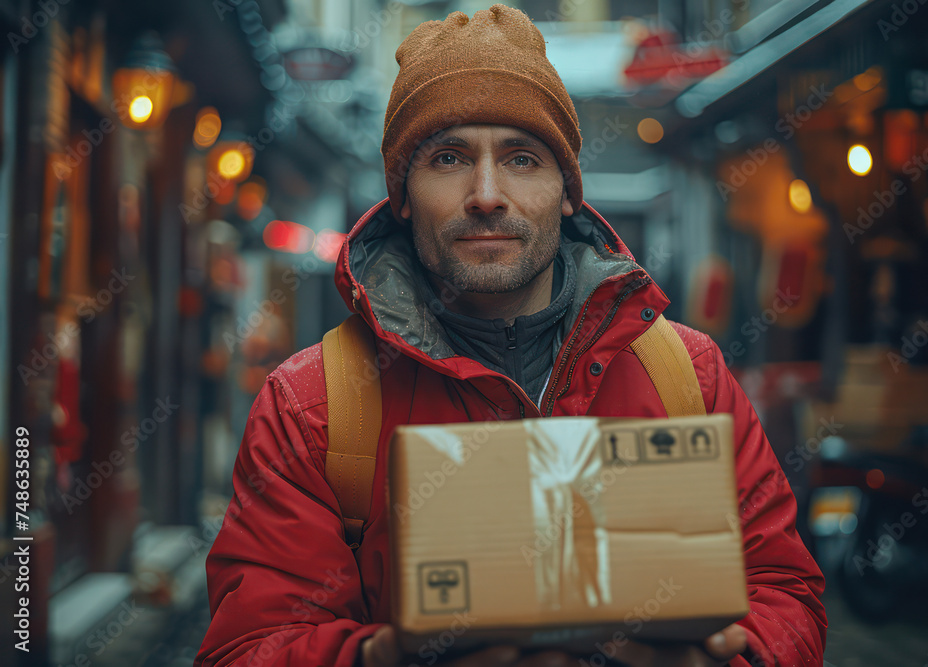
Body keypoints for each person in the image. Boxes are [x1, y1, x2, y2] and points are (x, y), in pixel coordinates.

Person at [195, 5, 826, 666]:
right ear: (403, 193)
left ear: (568, 191)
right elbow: (249, 646)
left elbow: (785, 593)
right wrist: (378, 657)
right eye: (448, 157)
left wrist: (733, 656)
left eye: (522, 158)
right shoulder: (315, 406)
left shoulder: (687, 376)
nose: (487, 193)